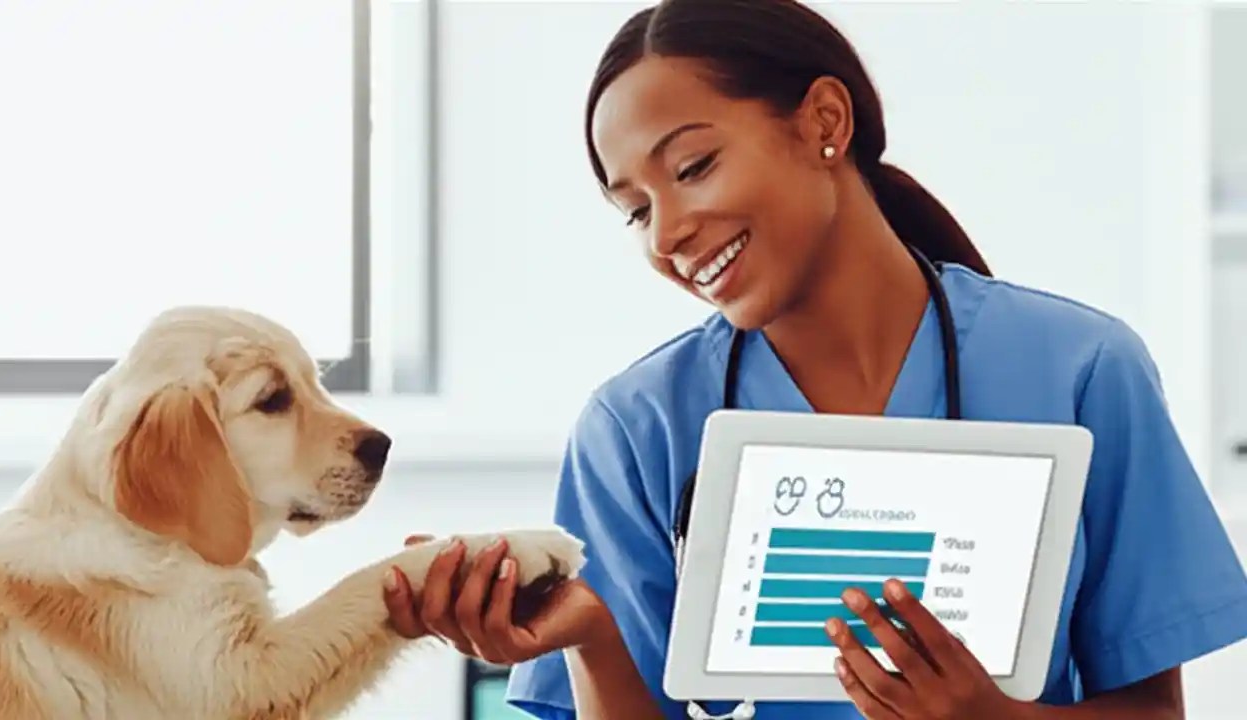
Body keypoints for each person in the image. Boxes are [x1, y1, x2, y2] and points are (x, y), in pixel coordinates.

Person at [382, 0, 1247, 717]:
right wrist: (591, 638)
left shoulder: (1080, 372)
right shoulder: (635, 429)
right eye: (635, 210)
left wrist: (993, 719)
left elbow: (1151, 711)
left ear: (825, 122)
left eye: (692, 166)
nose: (668, 234)